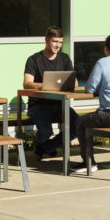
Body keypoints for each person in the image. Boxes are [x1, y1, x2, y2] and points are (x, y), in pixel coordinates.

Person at [21, 28, 87, 168]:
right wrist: (44, 85)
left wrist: (68, 83)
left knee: (78, 124)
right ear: (46, 40)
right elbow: (26, 83)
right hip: (38, 105)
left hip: (58, 104)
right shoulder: (34, 59)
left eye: (60, 42)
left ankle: (45, 147)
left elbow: (75, 83)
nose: (58, 45)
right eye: (55, 41)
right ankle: (43, 143)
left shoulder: (64, 58)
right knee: (46, 132)